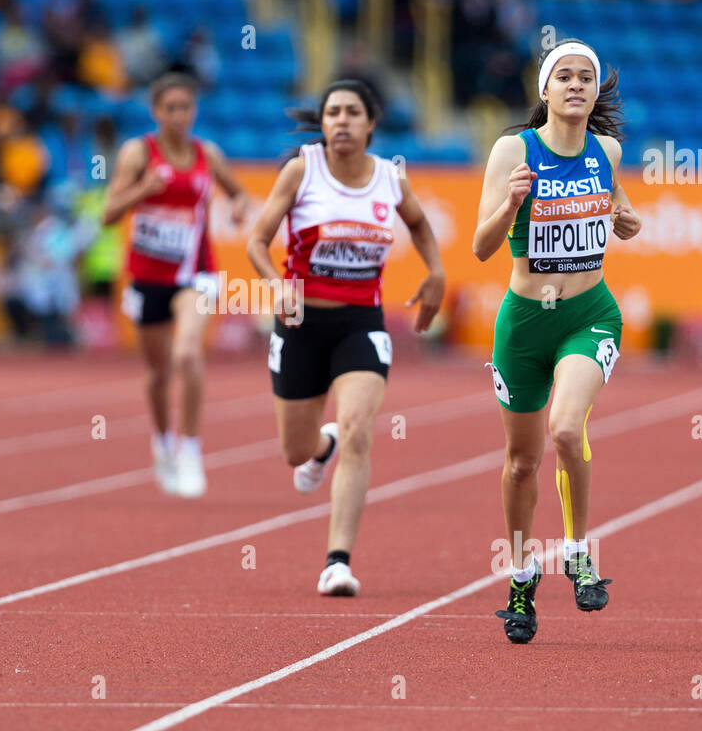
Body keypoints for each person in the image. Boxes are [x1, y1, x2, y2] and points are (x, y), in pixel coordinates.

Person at [245, 80, 445, 596]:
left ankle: (337, 561)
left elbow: (420, 226)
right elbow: (256, 240)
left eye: (352, 112)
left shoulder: (389, 180)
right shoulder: (302, 170)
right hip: (300, 325)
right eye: (332, 112)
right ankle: (320, 445)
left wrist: (436, 273)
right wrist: (276, 286)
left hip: (361, 324)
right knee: (295, 452)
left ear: (370, 123)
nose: (340, 121)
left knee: (359, 429)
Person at [471, 40, 641, 643]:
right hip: (523, 323)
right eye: (563, 76)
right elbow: (481, 247)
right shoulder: (513, 150)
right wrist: (511, 203)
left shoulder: (609, 150)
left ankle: (578, 551)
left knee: (567, 429)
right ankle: (521, 577)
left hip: (588, 315)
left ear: (596, 92)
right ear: (544, 90)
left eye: (586, 78)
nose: (575, 85)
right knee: (521, 462)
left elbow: (622, 212)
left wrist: (628, 219)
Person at [102, 73, 250, 497]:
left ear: (194, 110)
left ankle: (190, 447)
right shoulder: (138, 153)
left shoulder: (208, 154)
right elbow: (108, 214)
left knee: (187, 352)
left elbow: (239, 194)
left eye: (186, 107)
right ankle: (162, 441)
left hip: (196, 274)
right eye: (170, 108)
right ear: (156, 112)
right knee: (157, 372)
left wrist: (239, 209)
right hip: (148, 277)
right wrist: (142, 190)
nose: (179, 116)